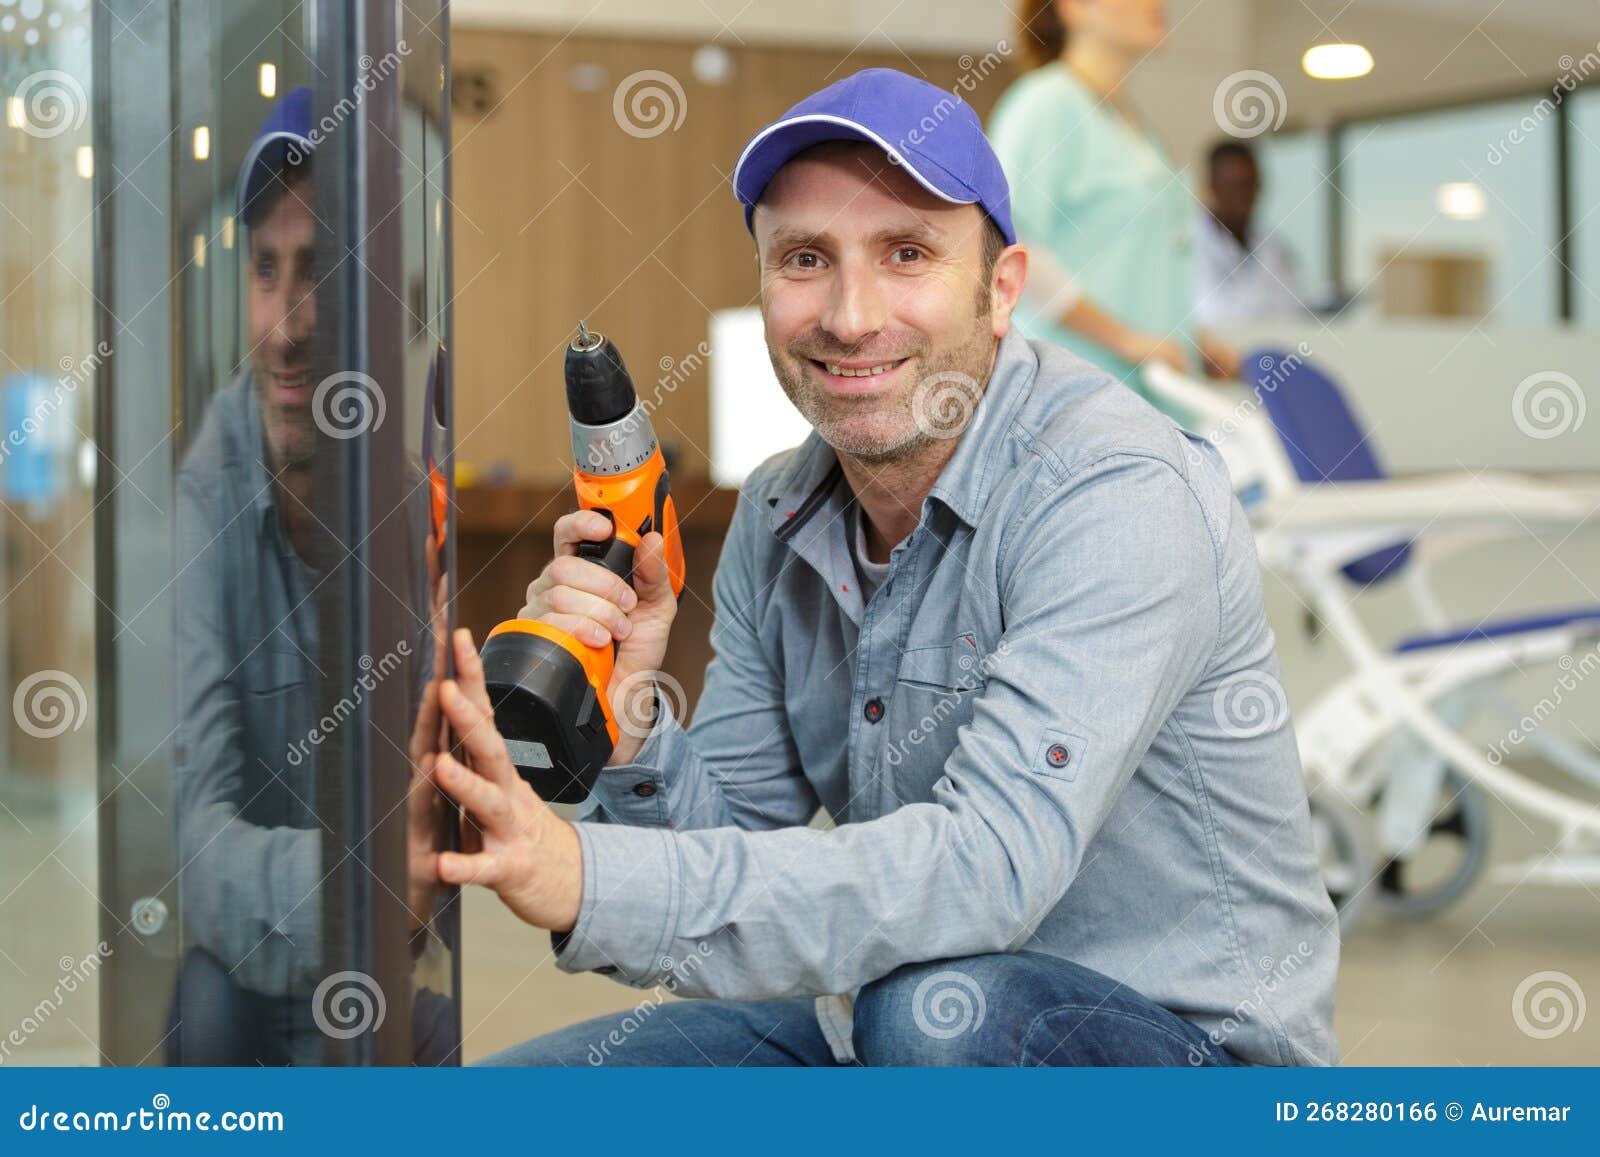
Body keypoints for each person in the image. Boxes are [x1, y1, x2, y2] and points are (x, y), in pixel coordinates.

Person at [429, 68, 1339, 1067]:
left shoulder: (1113, 491)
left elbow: (987, 867)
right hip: (887, 1017)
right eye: (806, 259)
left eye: (907, 253)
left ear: (1001, 292)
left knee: (933, 1014)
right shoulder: (778, 514)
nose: (851, 316)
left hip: (1185, 1056)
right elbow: (720, 855)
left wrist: (583, 876)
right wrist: (632, 698)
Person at [171, 87, 452, 1064]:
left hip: (389, 959)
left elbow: (442, 831)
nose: (288, 326)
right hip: (256, 961)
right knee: (201, 1010)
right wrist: (370, 881)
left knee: (446, 1034)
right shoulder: (207, 487)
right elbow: (199, 845)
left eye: (323, 271)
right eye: (265, 271)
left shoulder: (414, 495)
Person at [989, 0, 1239, 415]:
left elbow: (1131, 262)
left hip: (1152, 397)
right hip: (1075, 397)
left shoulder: (1131, 123)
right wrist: (1125, 341)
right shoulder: (1045, 105)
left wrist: (1192, 341)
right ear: (1075, 9)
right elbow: (1006, 243)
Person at [1193, 140, 1309, 329]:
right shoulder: (1188, 247)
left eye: (1250, 184)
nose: (1243, 195)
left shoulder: (1275, 249)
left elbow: (1295, 310)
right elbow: (1208, 315)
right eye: (1233, 186)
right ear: (1212, 186)